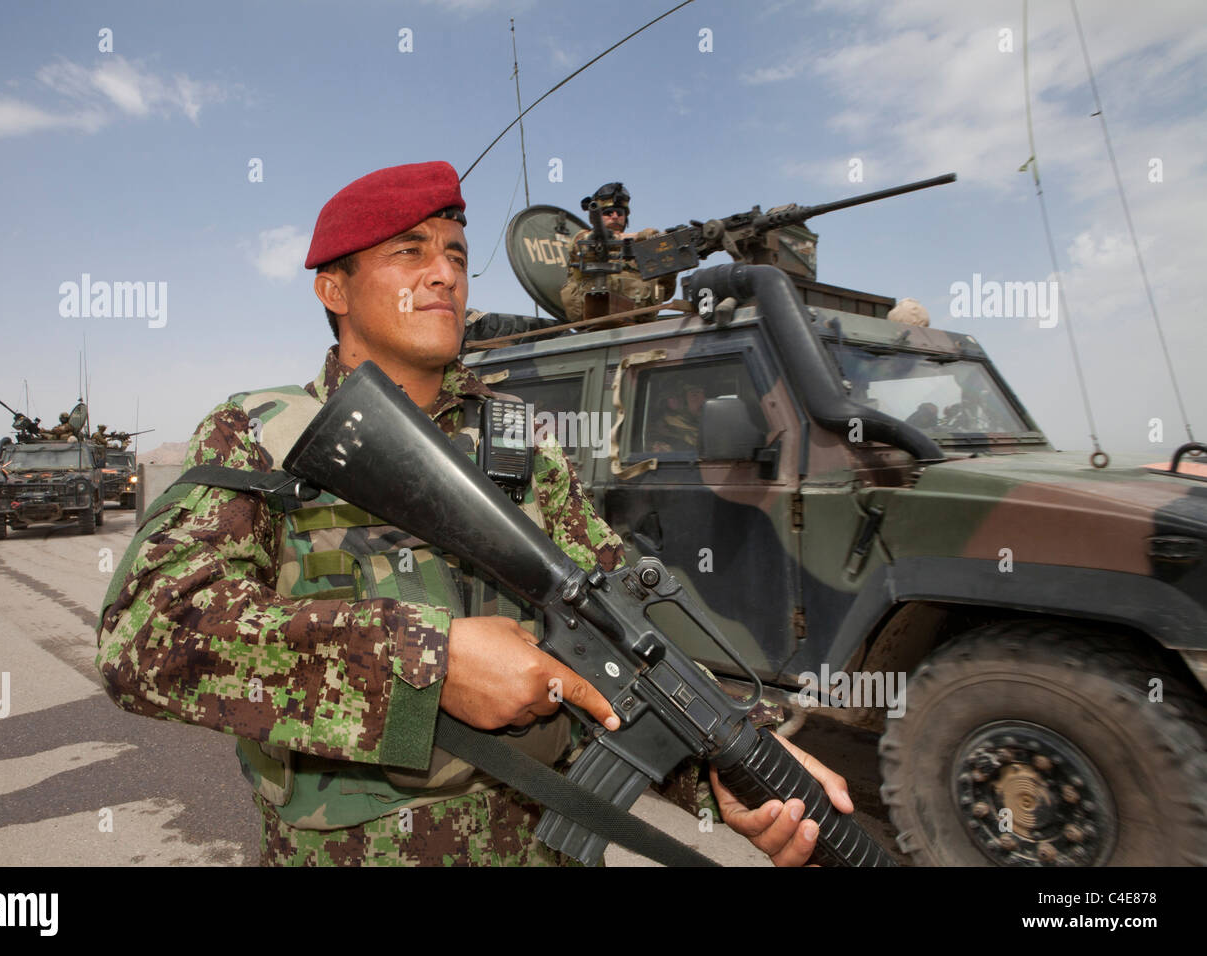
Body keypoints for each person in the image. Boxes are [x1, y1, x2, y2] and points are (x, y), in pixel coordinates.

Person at [96, 161, 852, 867]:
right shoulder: (265, 433)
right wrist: (429, 662)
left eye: (457, 255)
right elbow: (147, 636)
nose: (444, 274)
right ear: (334, 289)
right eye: (409, 252)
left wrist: (733, 767)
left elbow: (619, 644)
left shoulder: (518, 437)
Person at [559, 182, 677, 323]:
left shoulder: (640, 251)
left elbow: (665, 293)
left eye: (620, 213)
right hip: (595, 324)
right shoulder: (584, 239)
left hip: (640, 327)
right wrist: (641, 236)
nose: (615, 216)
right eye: (608, 212)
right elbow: (588, 243)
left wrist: (670, 262)